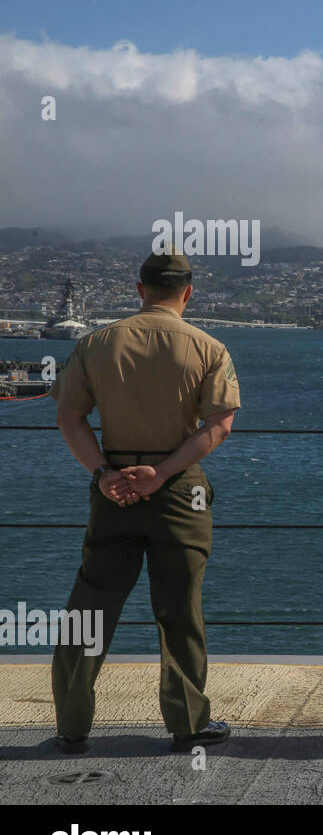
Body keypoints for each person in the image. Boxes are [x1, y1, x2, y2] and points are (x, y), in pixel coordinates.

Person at [49, 249, 240, 754]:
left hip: (114, 488)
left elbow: (70, 418)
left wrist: (104, 474)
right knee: (179, 607)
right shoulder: (208, 347)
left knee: (91, 603)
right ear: (188, 293)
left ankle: (71, 724)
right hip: (178, 490)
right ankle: (187, 723)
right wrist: (161, 474)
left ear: (140, 289)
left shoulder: (96, 343)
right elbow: (219, 426)